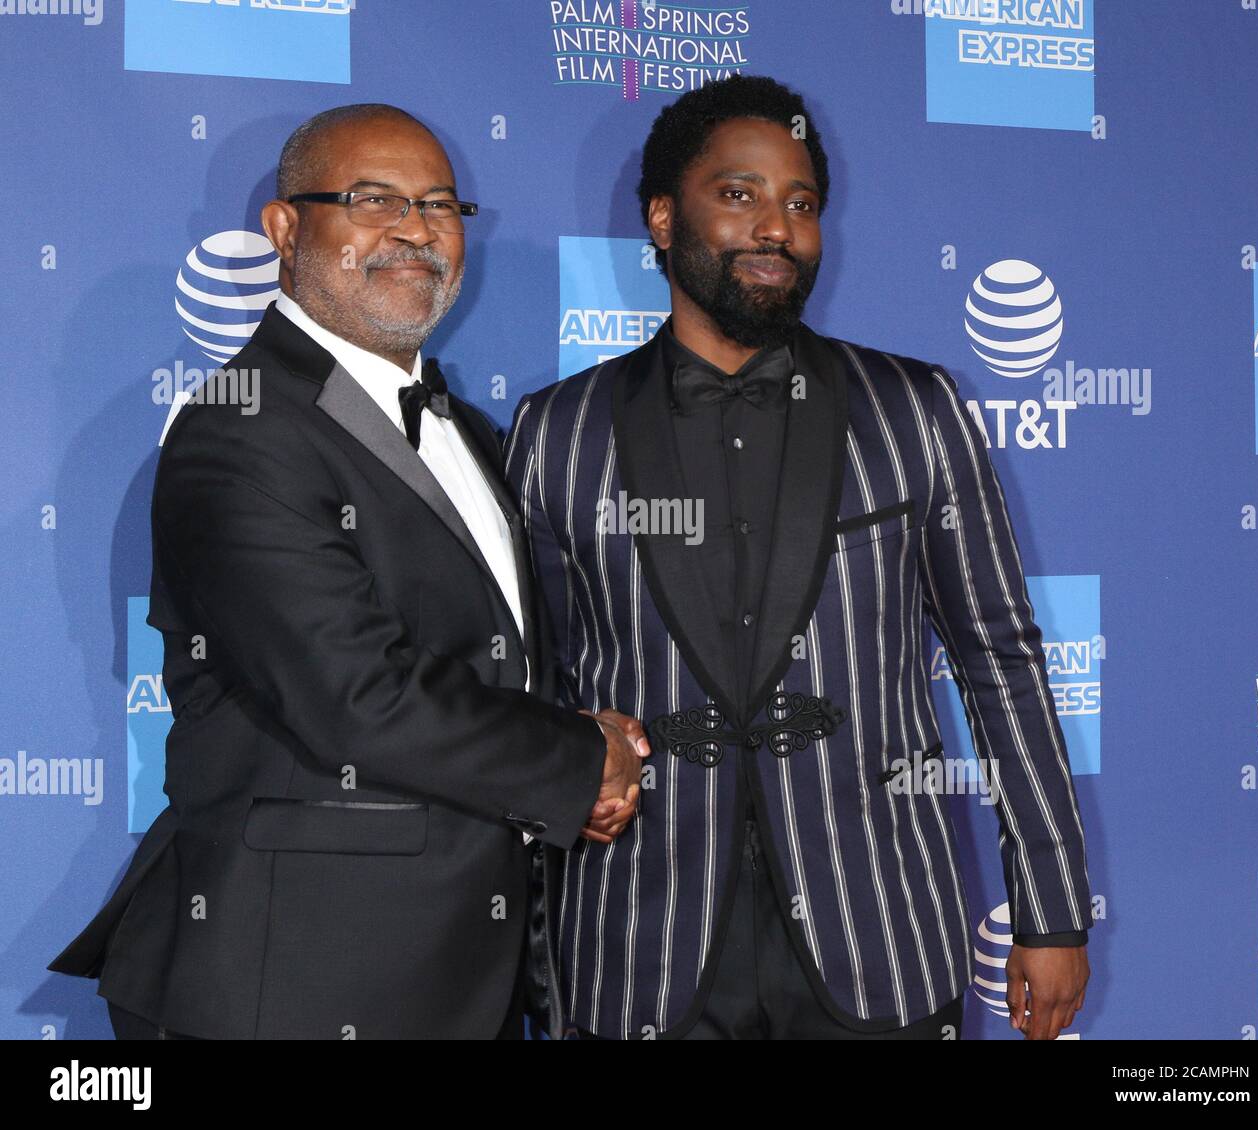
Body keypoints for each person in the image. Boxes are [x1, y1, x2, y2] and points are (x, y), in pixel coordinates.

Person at [505, 75, 1092, 1041]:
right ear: (662, 217)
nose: (776, 226)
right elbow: (538, 687)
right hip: (641, 948)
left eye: (802, 203)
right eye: (738, 195)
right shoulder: (556, 434)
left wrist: (1054, 908)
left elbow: (1000, 658)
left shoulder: (914, 411)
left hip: (880, 938)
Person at [48, 104, 645, 1040]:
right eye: (373, 200)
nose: (414, 228)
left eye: (440, 204)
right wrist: (577, 760)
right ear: (285, 229)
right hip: (290, 977)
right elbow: (351, 695)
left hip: (458, 974)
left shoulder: (474, 436)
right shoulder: (240, 430)